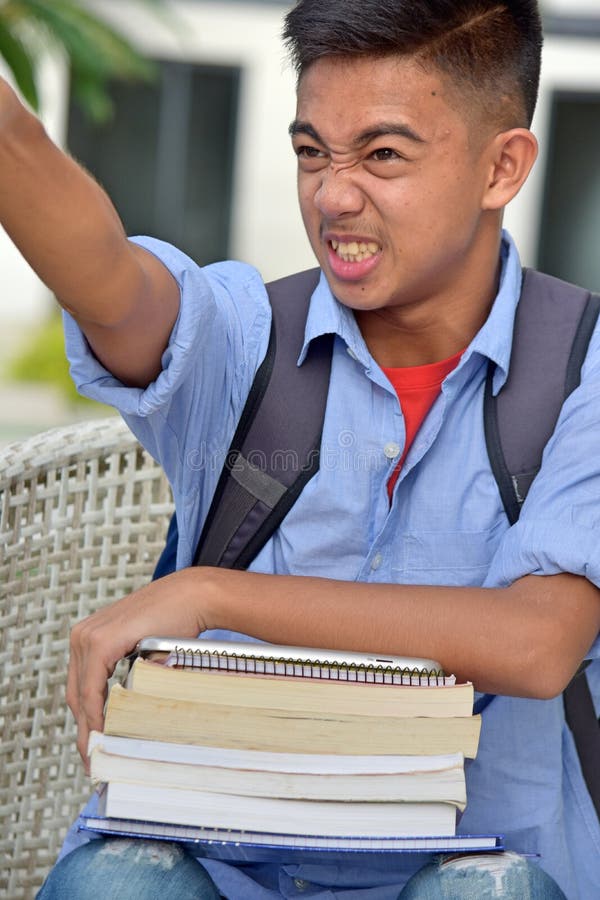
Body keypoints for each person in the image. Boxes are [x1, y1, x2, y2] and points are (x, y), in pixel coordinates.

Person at [0, 1, 598, 897]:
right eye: (312, 151)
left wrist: (208, 593)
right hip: (216, 868)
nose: (333, 194)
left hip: (477, 866)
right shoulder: (244, 340)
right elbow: (113, 289)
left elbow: (538, 642)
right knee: (120, 883)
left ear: (502, 166)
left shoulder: (585, 365)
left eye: (383, 155)